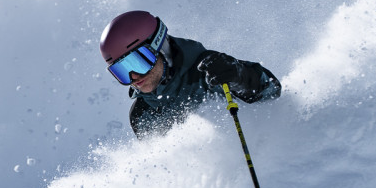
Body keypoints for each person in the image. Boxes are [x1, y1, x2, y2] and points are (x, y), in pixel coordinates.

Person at [99, 10, 282, 138]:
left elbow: (272, 91)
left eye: (138, 62)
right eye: (121, 71)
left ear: (160, 47)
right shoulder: (142, 114)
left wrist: (238, 76)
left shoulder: (211, 70)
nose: (133, 77)